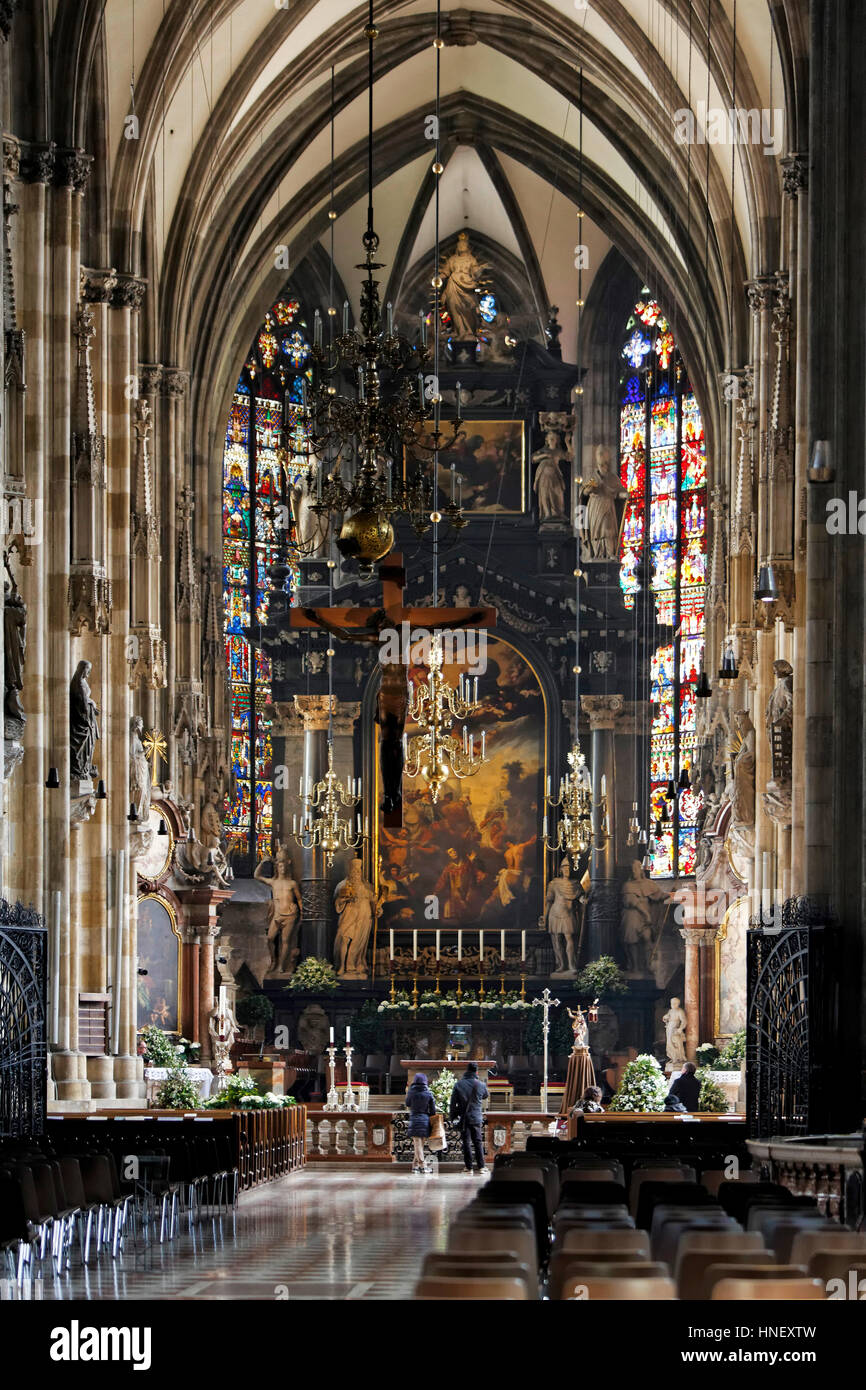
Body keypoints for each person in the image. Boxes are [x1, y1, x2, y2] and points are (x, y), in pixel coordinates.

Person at [449, 1061, 489, 1176]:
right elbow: (486, 1095)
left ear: (466, 1071)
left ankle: (469, 1167)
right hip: (476, 1117)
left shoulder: (458, 1084)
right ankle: (481, 1167)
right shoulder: (480, 1084)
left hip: (464, 1118)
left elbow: (453, 1103)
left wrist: (453, 1117)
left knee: (466, 1142)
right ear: (476, 1071)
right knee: (478, 1142)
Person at [405, 1072, 436, 1176]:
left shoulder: (411, 1092)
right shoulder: (428, 1093)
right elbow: (433, 1111)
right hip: (425, 1120)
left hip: (414, 1119)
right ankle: (421, 1166)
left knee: (418, 1145)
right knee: (420, 1145)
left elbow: (407, 1103)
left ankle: (418, 1166)